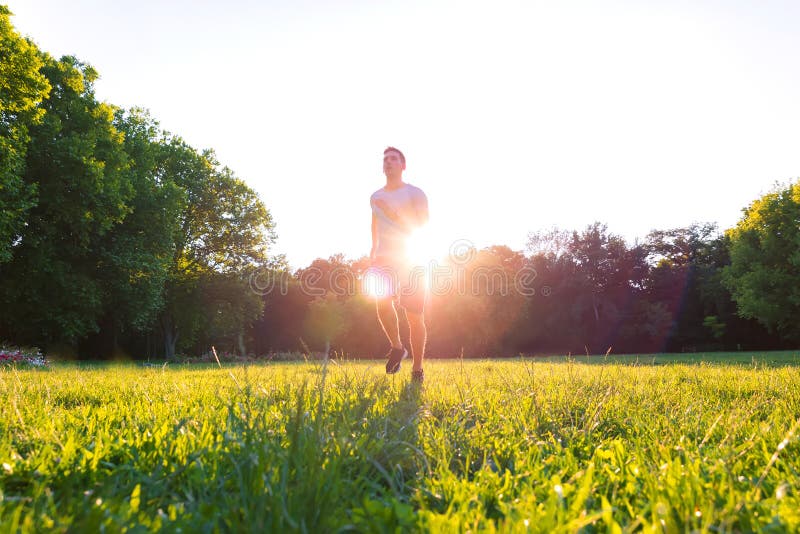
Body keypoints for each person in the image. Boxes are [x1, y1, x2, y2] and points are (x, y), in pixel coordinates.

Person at [369, 146, 429, 382]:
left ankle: (417, 369)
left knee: (414, 316)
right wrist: (373, 249)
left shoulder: (415, 193)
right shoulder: (375, 197)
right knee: (381, 303)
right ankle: (396, 346)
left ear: (403, 166)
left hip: (411, 258)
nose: (388, 162)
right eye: (385, 159)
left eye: (393, 159)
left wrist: (392, 214)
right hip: (383, 258)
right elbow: (374, 223)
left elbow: (422, 226)